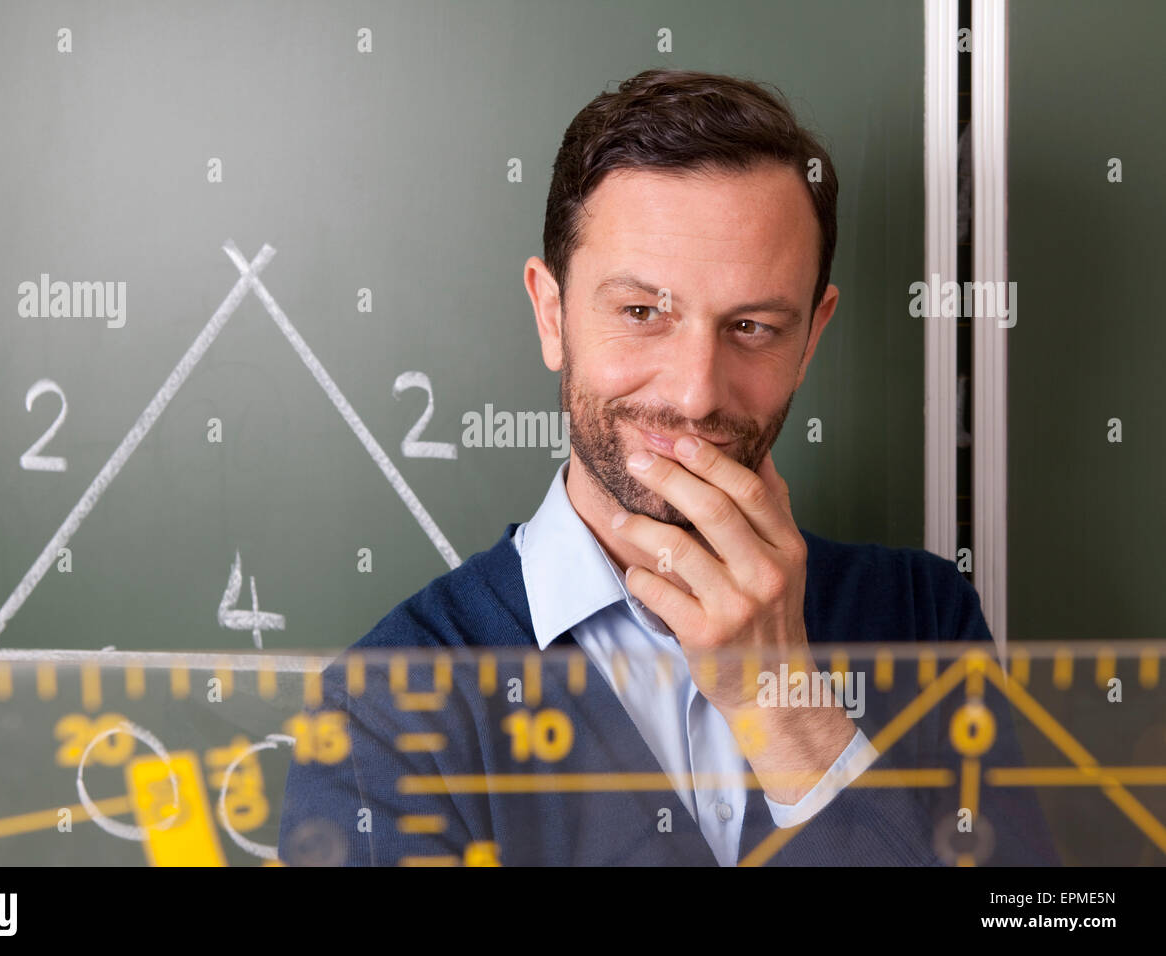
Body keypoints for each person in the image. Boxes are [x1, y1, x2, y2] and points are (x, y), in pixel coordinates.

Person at [277, 68, 1058, 866]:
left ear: (811, 337)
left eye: (752, 325)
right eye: (642, 313)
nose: (694, 394)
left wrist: (782, 707)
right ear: (553, 315)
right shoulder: (384, 705)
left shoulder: (924, 618)